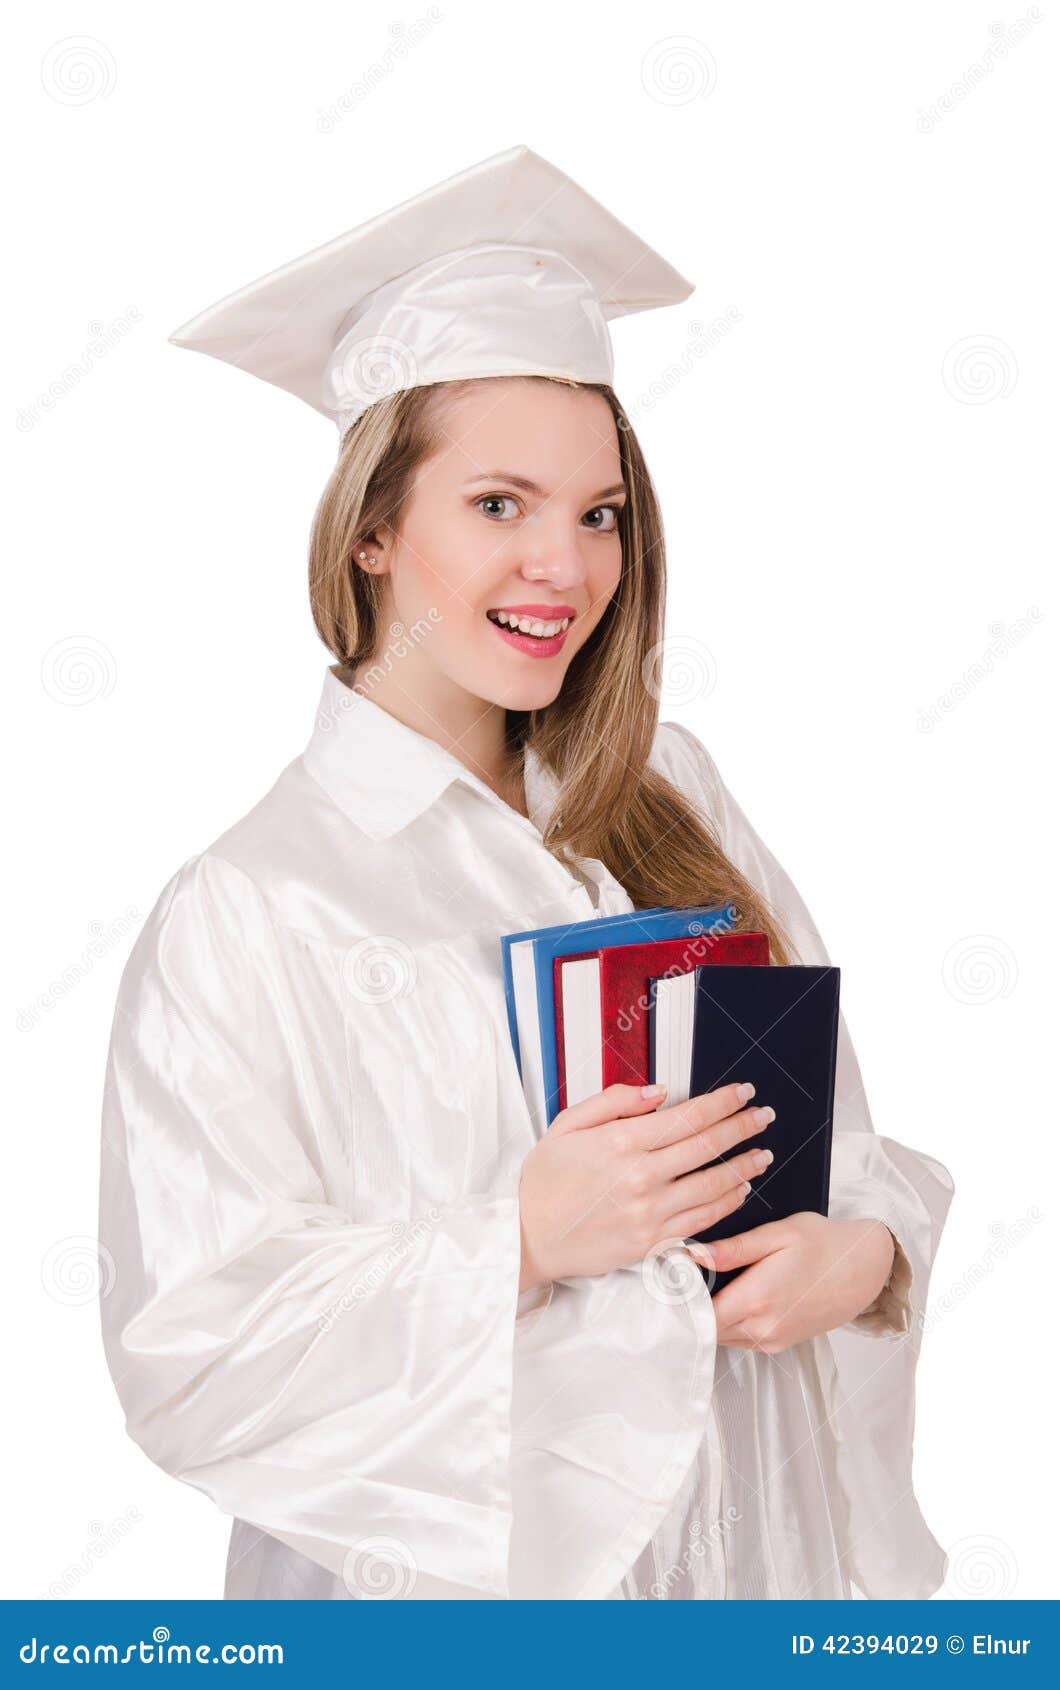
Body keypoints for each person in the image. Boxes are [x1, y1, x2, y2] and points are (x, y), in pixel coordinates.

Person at [98, 145, 953, 1601]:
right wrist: (519, 1240)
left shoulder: (674, 796)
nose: (564, 562)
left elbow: (851, 1145)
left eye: (599, 511)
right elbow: (191, 1349)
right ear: (374, 528)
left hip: (743, 1581)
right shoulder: (256, 906)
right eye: (499, 504)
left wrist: (862, 1256)